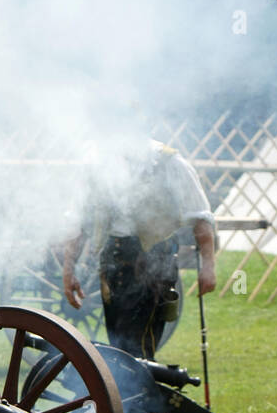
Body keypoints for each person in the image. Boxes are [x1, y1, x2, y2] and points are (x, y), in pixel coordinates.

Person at [61, 140, 217, 359]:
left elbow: (201, 217)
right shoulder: (97, 162)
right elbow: (79, 221)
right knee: (119, 347)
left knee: (139, 349)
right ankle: (130, 391)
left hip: (154, 265)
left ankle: (140, 390)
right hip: (112, 263)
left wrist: (208, 266)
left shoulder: (169, 162)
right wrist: (69, 268)